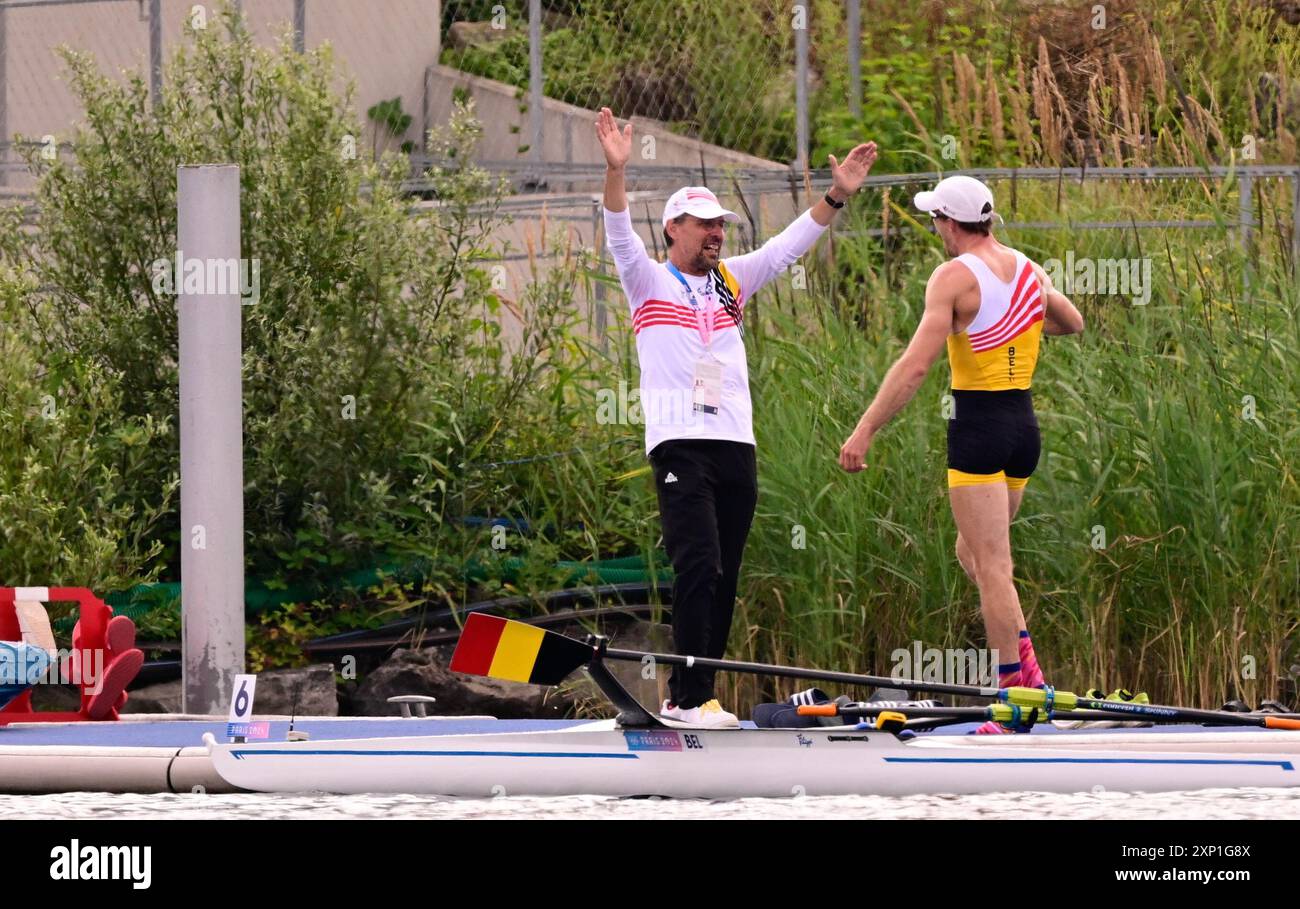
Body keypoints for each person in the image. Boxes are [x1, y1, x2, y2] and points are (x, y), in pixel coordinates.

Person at [596, 106, 877, 727]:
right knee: (696, 564)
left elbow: (786, 247)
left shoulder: (730, 281)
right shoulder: (647, 280)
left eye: (720, 223)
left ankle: (703, 695)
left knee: (724, 575)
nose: (716, 232)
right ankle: (682, 700)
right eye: (704, 224)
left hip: (735, 446)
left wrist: (835, 196)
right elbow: (617, 227)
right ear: (674, 228)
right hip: (680, 445)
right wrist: (616, 169)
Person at [837, 175, 1085, 733]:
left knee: (994, 566)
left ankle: (1011, 701)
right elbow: (1073, 322)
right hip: (1023, 428)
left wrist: (865, 429)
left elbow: (915, 367)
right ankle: (1033, 679)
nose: (936, 230)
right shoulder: (1029, 269)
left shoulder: (952, 278)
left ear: (950, 223)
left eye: (935, 221)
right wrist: (1027, 317)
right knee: (973, 555)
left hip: (977, 428)